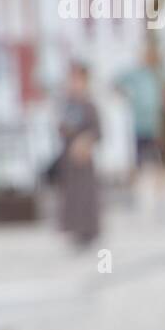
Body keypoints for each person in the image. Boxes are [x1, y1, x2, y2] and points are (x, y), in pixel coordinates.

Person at [113, 40, 165, 221]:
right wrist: (126, 97)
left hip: (156, 127)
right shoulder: (135, 74)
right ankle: (132, 197)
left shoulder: (159, 74)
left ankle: (161, 201)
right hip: (138, 128)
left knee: (160, 166)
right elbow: (116, 82)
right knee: (137, 165)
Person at [57, 61, 101, 250]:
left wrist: (86, 141)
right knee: (72, 196)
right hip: (70, 160)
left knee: (86, 196)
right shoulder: (68, 105)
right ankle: (75, 229)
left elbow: (98, 131)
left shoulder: (89, 105)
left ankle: (89, 231)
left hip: (85, 160)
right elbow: (61, 128)